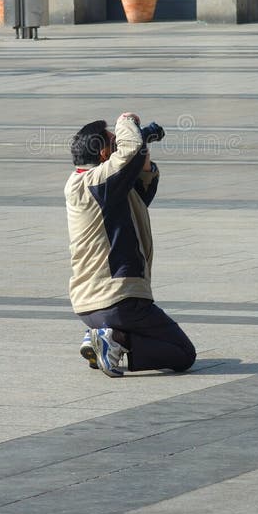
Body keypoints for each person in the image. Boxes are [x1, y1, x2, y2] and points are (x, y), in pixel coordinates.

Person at [64, 112, 196, 377]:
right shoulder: (98, 183)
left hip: (89, 307)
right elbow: (131, 149)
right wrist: (127, 122)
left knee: (162, 341)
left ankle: (103, 338)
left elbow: (140, 192)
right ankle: (115, 340)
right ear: (103, 153)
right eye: (114, 142)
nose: (119, 145)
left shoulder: (89, 184)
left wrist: (142, 148)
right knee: (183, 353)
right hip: (119, 300)